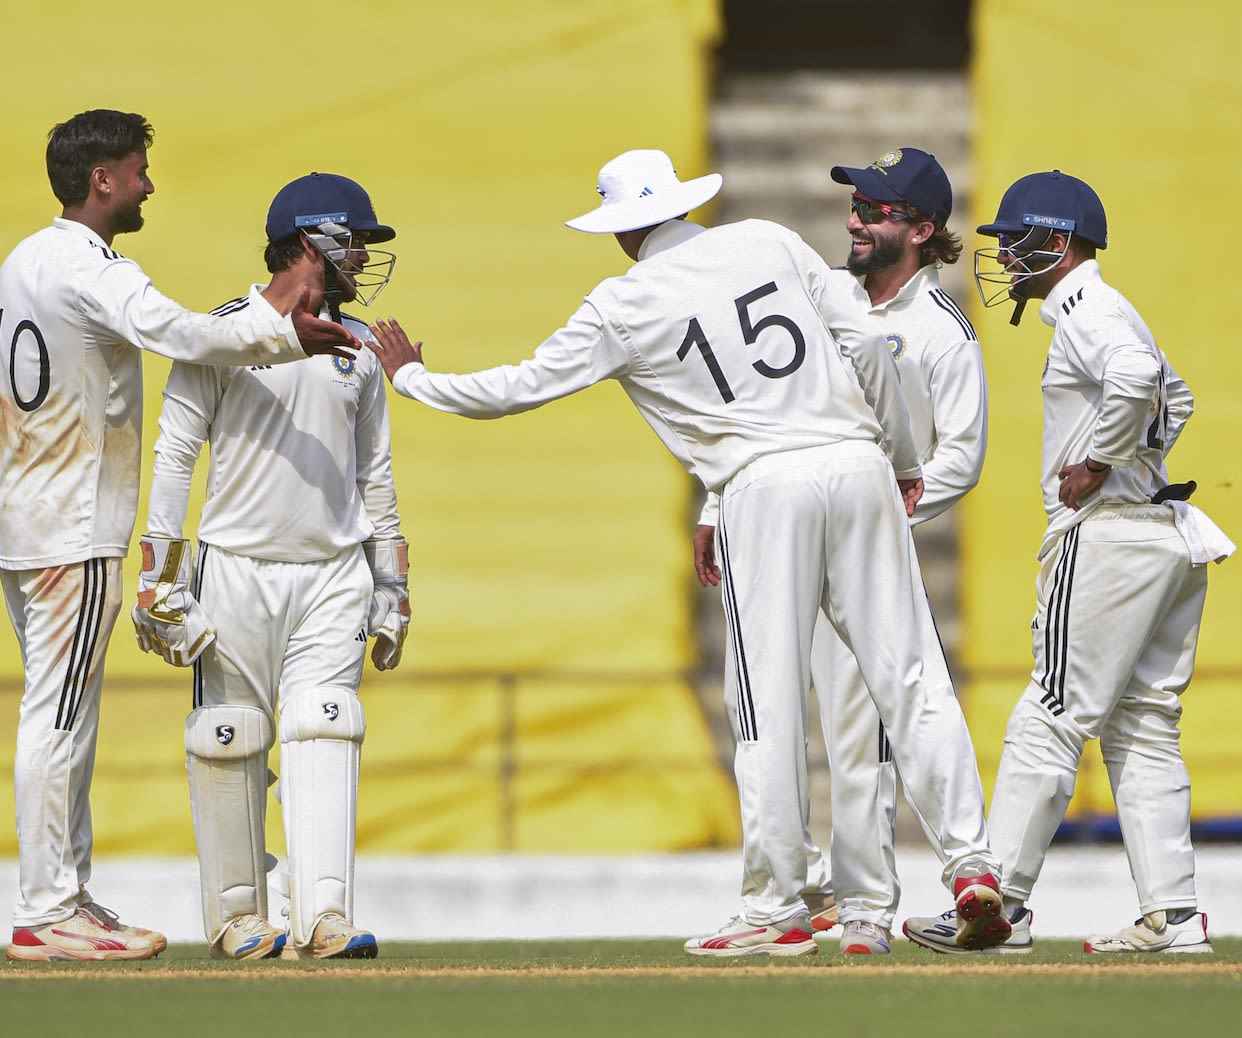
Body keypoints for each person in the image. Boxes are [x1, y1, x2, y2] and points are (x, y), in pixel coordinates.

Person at [365, 148, 1009, 957]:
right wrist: (902, 462)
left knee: (766, 705)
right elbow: (866, 348)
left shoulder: (621, 302)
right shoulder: (766, 240)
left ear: (621, 226)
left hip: (762, 488)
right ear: (678, 203)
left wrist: (415, 379)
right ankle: (973, 863)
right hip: (855, 463)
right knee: (913, 679)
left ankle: (776, 906)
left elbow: (515, 388)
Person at [0, 109, 360, 963]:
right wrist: (278, 331)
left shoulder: (22, 260)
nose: (149, 183)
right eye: (138, 169)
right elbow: (181, 332)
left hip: (24, 512)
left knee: (59, 707)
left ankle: (66, 896)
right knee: (58, 715)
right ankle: (48, 909)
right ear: (102, 179)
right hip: (72, 520)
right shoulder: (91, 267)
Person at [902, 170, 1233, 955]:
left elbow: (1144, 381)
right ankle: (1173, 916)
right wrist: (1139, 461)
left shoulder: (1086, 306)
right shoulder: (1112, 310)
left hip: (1110, 536)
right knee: (1144, 726)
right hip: (1165, 537)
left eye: (1016, 242)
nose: (1005, 257)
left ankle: (999, 905)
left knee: (1050, 713)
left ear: (1057, 241)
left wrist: (1101, 461)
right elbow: (1175, 397)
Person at [690, 147, 988, 955]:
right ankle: (802, 890)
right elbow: (759, 409)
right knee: (778, 707)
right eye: (855, 206)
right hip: (794, 532)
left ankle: (864, 911)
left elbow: (961, 452)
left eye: (876, 210)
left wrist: (896, 512)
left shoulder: (942, 329)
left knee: (863, 735)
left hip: (867, 544)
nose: (855, 221)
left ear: (923, 229)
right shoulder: (814, 297)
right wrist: (718, 503)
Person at [138, 172, 410, 960]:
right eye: (352, 238)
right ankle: (238, 917)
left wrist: (392, 584)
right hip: (236, 572)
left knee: (326, 729)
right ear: (309, 239)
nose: (362, 254)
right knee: (231, 739)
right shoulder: (219, 333)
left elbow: (376, 474)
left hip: (332, 574)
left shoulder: (357, 350)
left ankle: (325, 917)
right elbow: (177, 450)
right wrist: (158, 573)